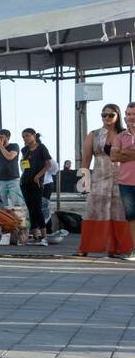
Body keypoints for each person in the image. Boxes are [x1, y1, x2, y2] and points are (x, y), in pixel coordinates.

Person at [78, 105, 130, 257]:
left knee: (120, 214)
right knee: (93, 212)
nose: (106, 118)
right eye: (103, 115)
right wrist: (84, 181)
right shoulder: (93, 135)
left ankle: (117, 248)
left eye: (110, 115)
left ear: (118, 116)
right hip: (99, 179)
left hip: (122, 179)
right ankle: (85, 248)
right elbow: (86, 159)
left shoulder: (126, 135)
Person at [107, 103, 135, 262]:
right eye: (128, 114)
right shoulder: (120, 137)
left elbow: (120, 154)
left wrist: (124, 152)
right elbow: (114, 157)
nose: (131, 117)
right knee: (132, 218)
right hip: (126, 182)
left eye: (134, 113)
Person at [19, 128, 51, 244]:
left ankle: (44, 235)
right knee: (31, 209)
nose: (25, 138)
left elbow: (48, 165)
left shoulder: (41, 148)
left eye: (27, 135)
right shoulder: (24, 150)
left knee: (37, 208)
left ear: (34, 135)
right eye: (23, 136)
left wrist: (38, 176)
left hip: (37, 182)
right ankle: (35, 235)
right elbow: (24, 166)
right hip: (25, 182)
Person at [0, 129, 25, 208]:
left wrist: (1, 147)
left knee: (17, 203)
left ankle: (18, 219)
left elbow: (10, 157)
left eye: (1, 137)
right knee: (1, 204)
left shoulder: (14, 146)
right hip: (0, 180)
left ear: (7, 138)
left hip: (13, 180)